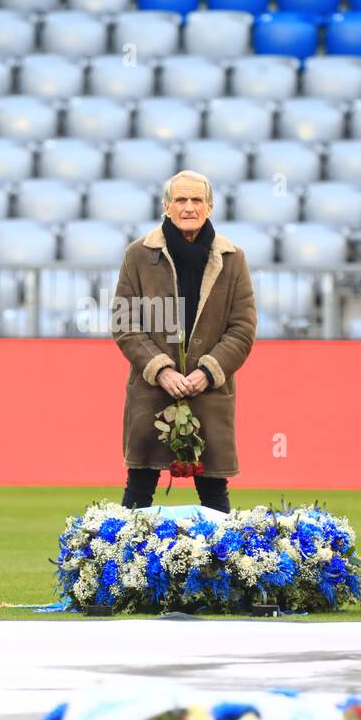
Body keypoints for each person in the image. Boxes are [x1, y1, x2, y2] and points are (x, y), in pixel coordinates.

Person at [112, 169, 257, 514]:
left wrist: (207, 372)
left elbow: (243, 328)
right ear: (166, 206)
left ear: (210, 207)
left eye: (196, 200)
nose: (188, 207)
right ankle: (124, 567)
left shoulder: (233, 259)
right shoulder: (138, 255)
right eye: (180, 199)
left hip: (208, 393)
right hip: (151, 392)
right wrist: (161, 371)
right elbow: (124, 324)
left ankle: (221, 566)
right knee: (139, 489)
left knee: (214, 493)